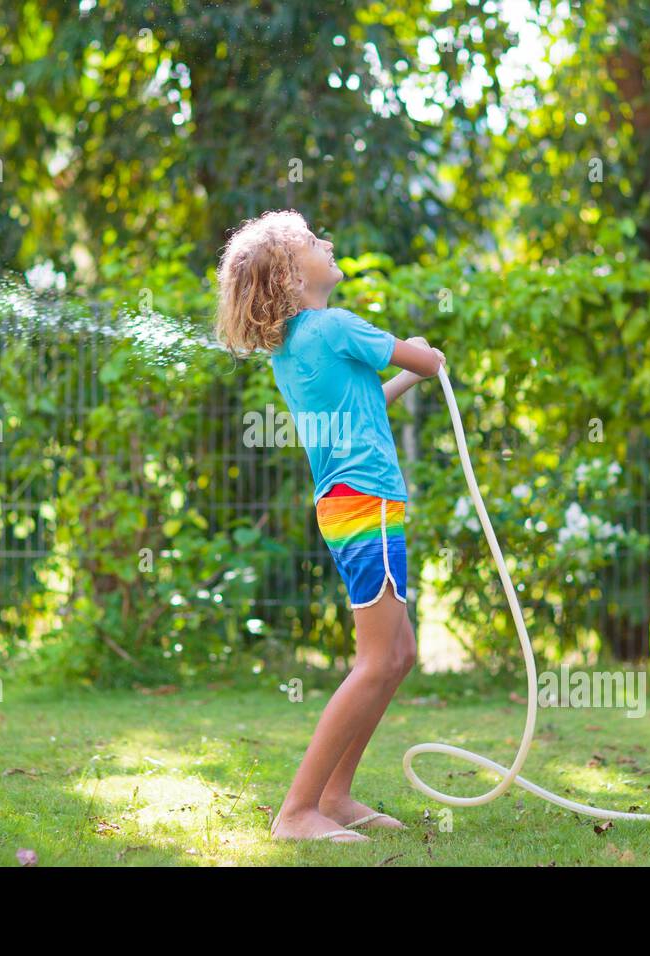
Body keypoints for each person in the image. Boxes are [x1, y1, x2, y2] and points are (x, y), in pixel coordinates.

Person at [214, 209, 444, 843]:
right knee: (377, 660)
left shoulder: (295, 347)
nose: (330, 241)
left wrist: (405, 375)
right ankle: (296, 812)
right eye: (315, 241)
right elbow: (420, 360)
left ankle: (336, 797)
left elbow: (369, 399)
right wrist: (424, 358)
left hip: (348, 505)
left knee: (398, 653)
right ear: (291, 273)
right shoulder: (337, 325)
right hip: (366, 502)